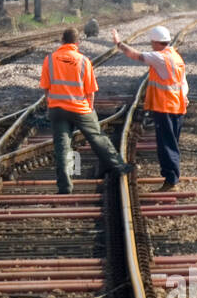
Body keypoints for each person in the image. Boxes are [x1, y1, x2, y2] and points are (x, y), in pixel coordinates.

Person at [40, 27, 133, 194]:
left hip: (57, 108)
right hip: (79, 108)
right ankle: (119, 167)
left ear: (62, 40)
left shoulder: (50, 59)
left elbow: (46, 88)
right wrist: (89, 109)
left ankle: (65, 187)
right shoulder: (83, 61)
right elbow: (90, 91)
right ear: (77, 42)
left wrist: (51, 103)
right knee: (97, 138)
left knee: (62, 146)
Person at [112, 25, 188, 191]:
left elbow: (135, 55)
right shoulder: (175, 57)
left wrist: (119, 43)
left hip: (165, 107)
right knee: (172, 143)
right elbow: (183, 83)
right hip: (178, 107)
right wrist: (185, 97)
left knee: (166, 144)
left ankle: (171, 180)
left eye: (152, 42)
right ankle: (172, 177)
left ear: (156, 42)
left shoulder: (160, 57)